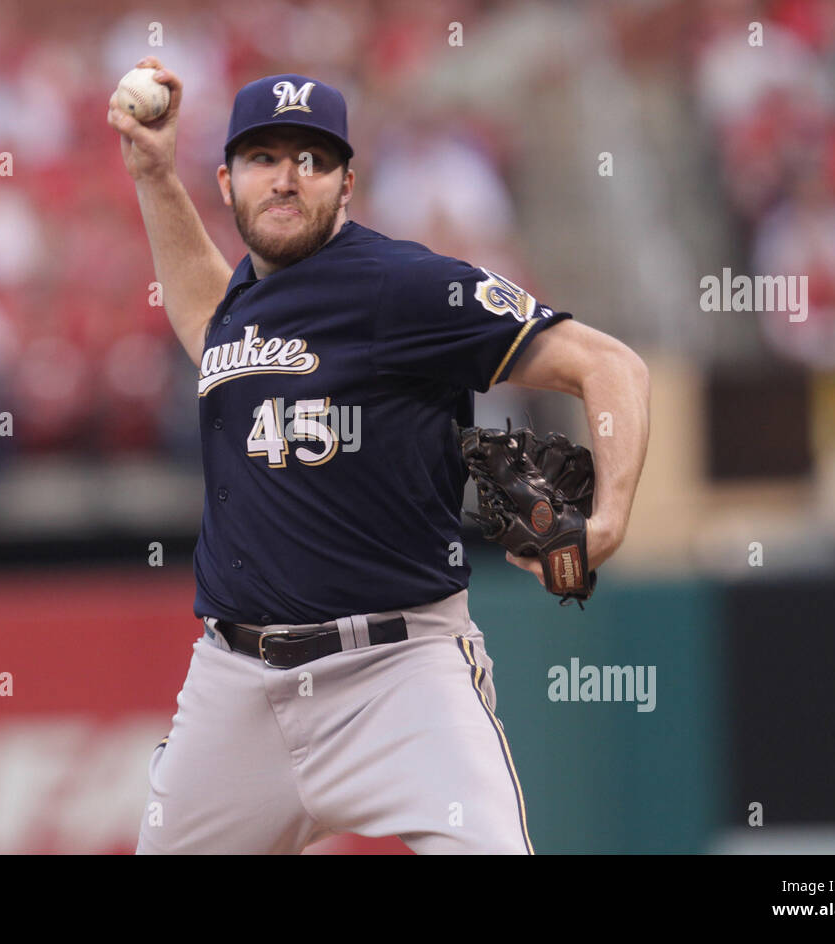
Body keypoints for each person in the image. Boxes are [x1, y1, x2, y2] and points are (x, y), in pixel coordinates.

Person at [108, 59, 650, 854]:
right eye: (264, 158)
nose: (287, 179)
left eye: (312, 159)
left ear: (348, 182)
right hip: (236, 689)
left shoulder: (404, 287)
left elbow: (608, 366)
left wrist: (610, 516)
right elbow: (206, 322)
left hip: (399, 677)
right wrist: (154, 174)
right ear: (226, 182)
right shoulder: (242, 309)